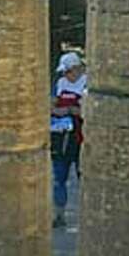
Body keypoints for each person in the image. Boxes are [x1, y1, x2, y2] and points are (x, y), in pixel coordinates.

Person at [51, 51, 87, 229]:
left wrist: (72, 110)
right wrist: (54, 109)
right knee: (59, 178)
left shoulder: (87, 83)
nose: (65, 75)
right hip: (61, 136)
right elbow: (53, 102)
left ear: (77, 69)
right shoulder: (60, 83)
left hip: (82, 138)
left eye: (68, 71)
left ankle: (88, 215)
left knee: (85, 179)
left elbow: (88, 110)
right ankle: (59, 214)